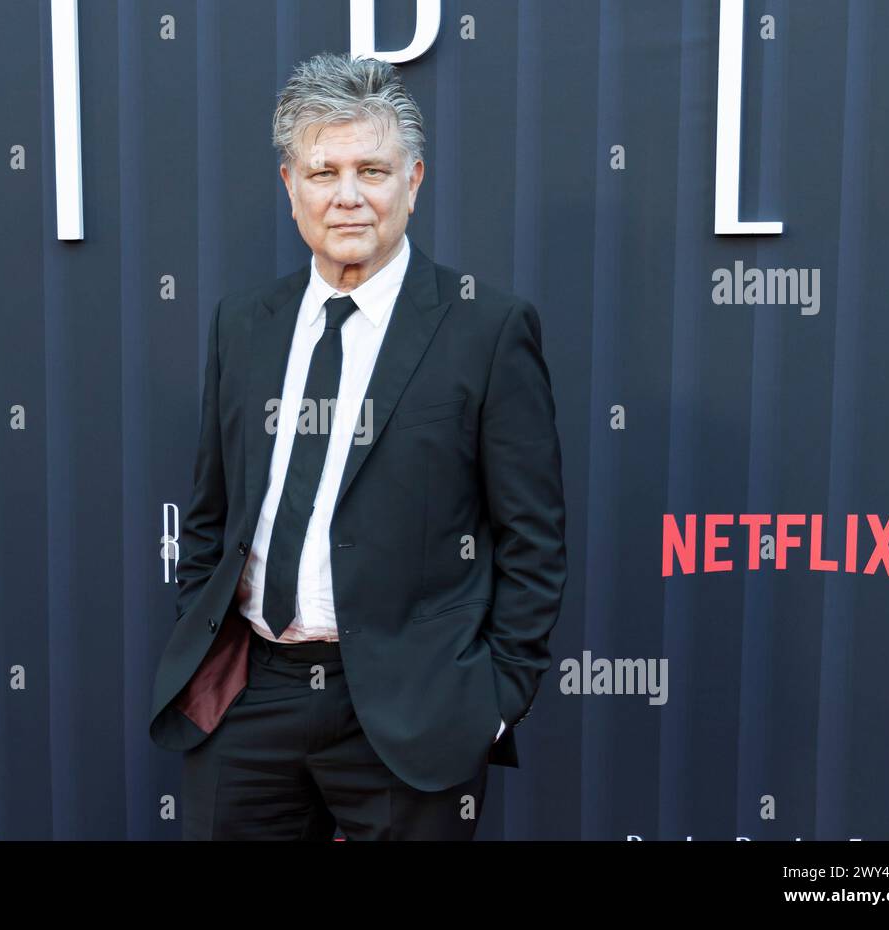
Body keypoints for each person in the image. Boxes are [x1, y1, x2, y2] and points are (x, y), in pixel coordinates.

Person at [149, 51, 567, 840]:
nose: (346, 196)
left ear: (413, 181)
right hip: (252, 694)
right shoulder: (244, 324)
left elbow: (532, 537)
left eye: (371, 170)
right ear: (289, 188)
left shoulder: (486, 329)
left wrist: (493, 700)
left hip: (409, 709)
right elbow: (212, 512)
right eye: (322, 172)